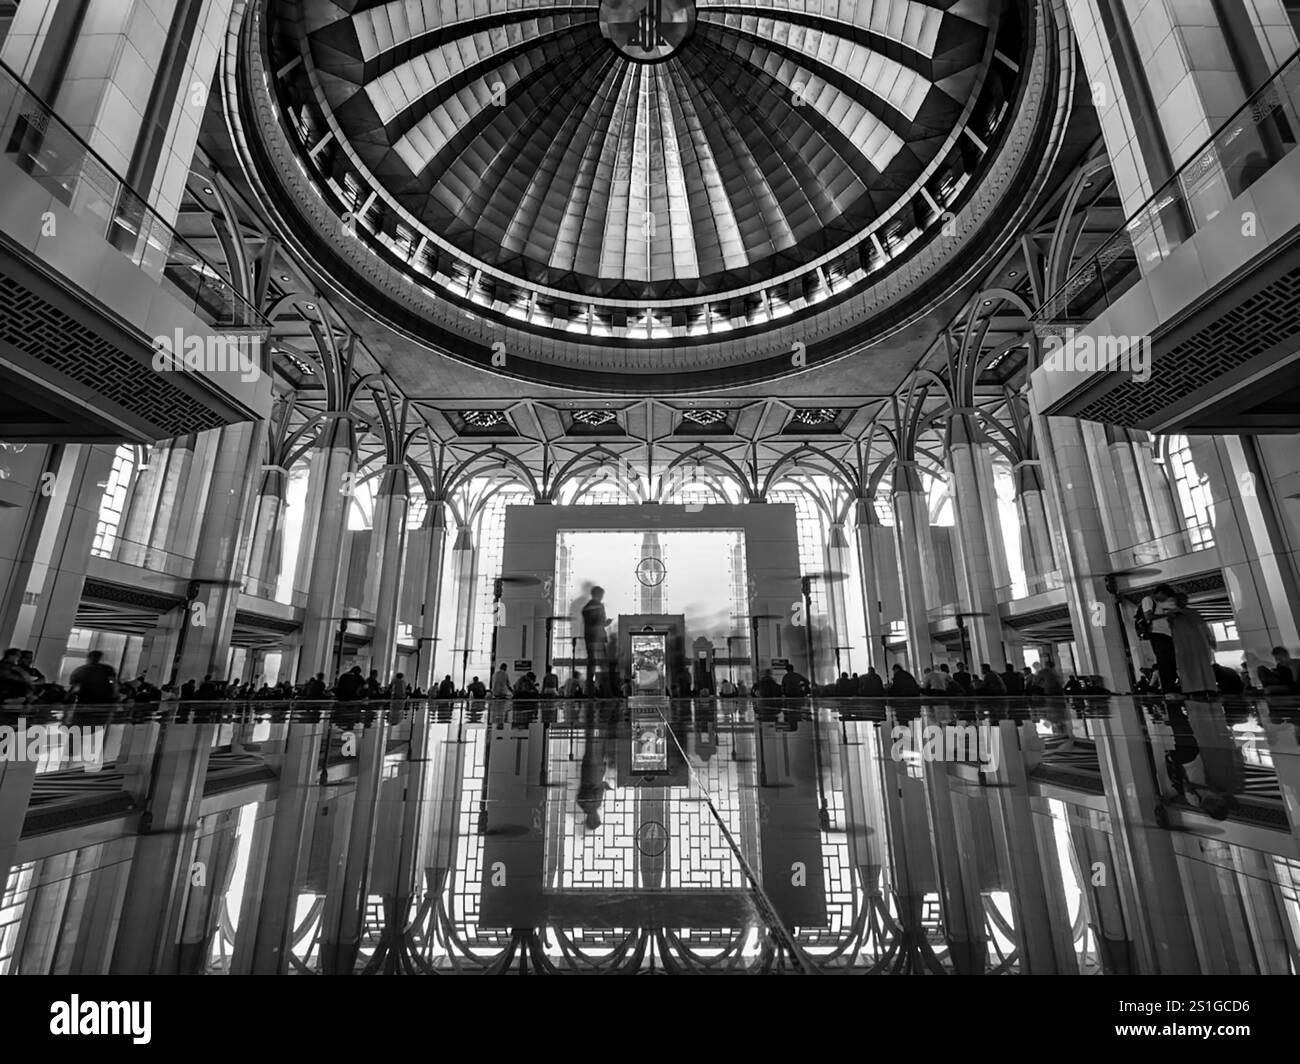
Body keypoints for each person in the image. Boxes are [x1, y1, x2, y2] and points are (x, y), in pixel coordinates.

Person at [1168, 592, 1217, 697]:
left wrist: (1210, 639)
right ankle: (1193, 688)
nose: (1182, 602)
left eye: (1184, 600)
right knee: (1188, 665)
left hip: (1197, 643)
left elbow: (1203, 627)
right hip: (1183, 644)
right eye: (1180, 600)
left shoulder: (1192, 613)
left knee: (1201, 664)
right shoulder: (1172, 614)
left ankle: (1205, 686)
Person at [1137, 584, 1179, 695]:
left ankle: (1171, 687)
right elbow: (1148, 617)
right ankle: (1167, 689)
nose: (1165, 598)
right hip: (1157, 634)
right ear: (1159, 593)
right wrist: (1165, 615)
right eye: (1165, 595)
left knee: (1171, 662)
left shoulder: (1160, 604)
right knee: (1164, 662)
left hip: (1166, 635)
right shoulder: (1148, 600)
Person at [582, 586, 611, 693]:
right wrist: (606, 623)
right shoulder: (599, 606)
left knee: (591, 664)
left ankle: (589, 691)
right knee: (603, 665)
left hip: (589, 638)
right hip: (598, 637)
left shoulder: (586, 607)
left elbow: (590, 622)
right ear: (599, 595)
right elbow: (600, 622)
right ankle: (606, 692)